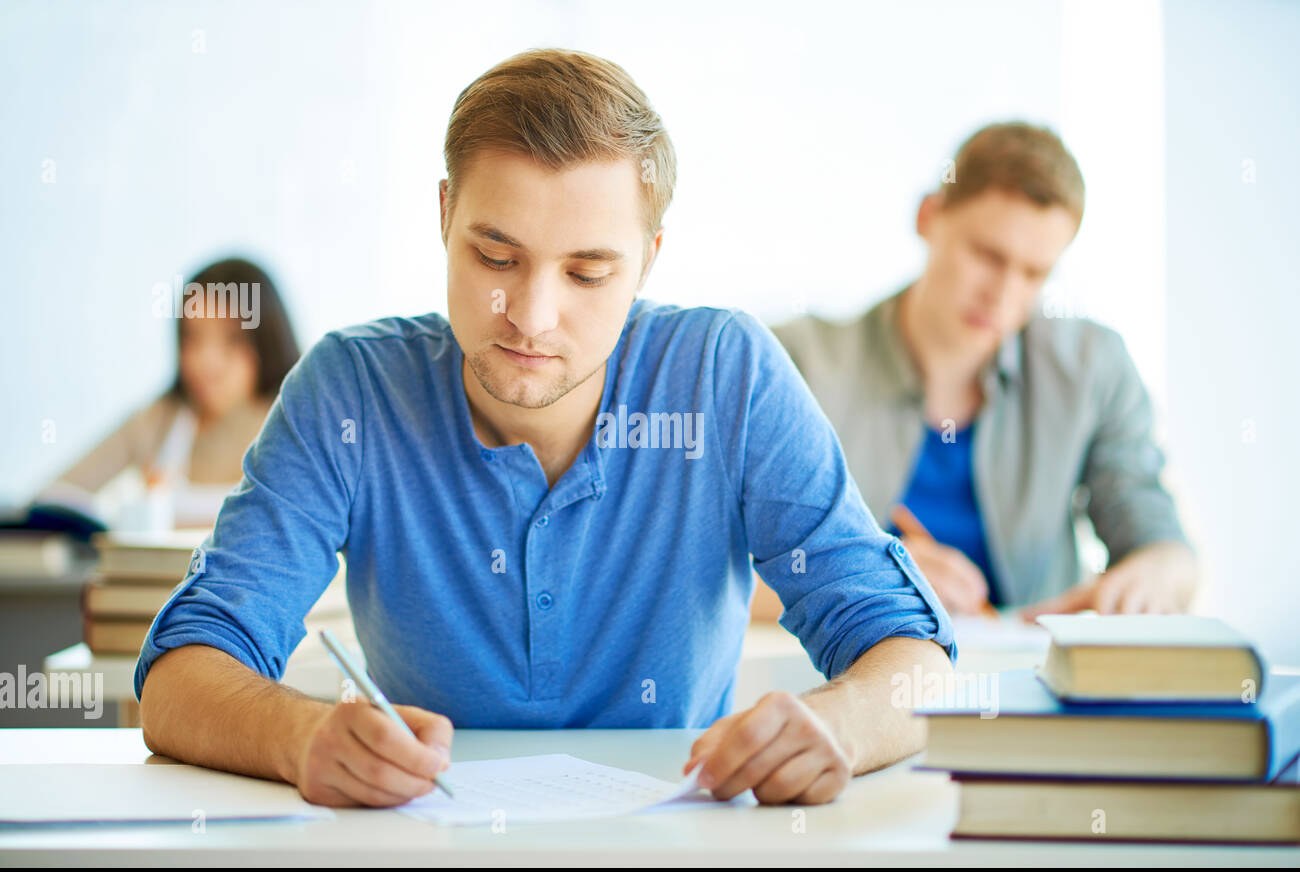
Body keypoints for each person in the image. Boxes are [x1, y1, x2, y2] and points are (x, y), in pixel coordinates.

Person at [135, 48, 956, 810]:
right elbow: (178, 678)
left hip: (679, 849)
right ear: (446, 213)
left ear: (649, 258)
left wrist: (841, 726)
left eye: (588, 272)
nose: (530, 316)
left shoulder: (725, 375)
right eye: (496, 257)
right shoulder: (351, 389)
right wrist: (300, 733)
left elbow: (914, 658)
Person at [770, 122, 1196, 624]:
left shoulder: (1091, 368)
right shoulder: (801, 362)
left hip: (1031, 686)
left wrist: (1153, 576)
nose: (1003, 294)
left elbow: (1162, 543)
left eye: (1034, 273)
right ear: (929, 216)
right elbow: (714, 571)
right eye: (987, 256)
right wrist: (866, 576)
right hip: (855, 683)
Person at [40, 258, 300, 529]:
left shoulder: (294, 430)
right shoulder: (157, 421)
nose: (207, 361)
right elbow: (56, 498)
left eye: (232, 340)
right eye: (193, 337)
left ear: (266, 340)